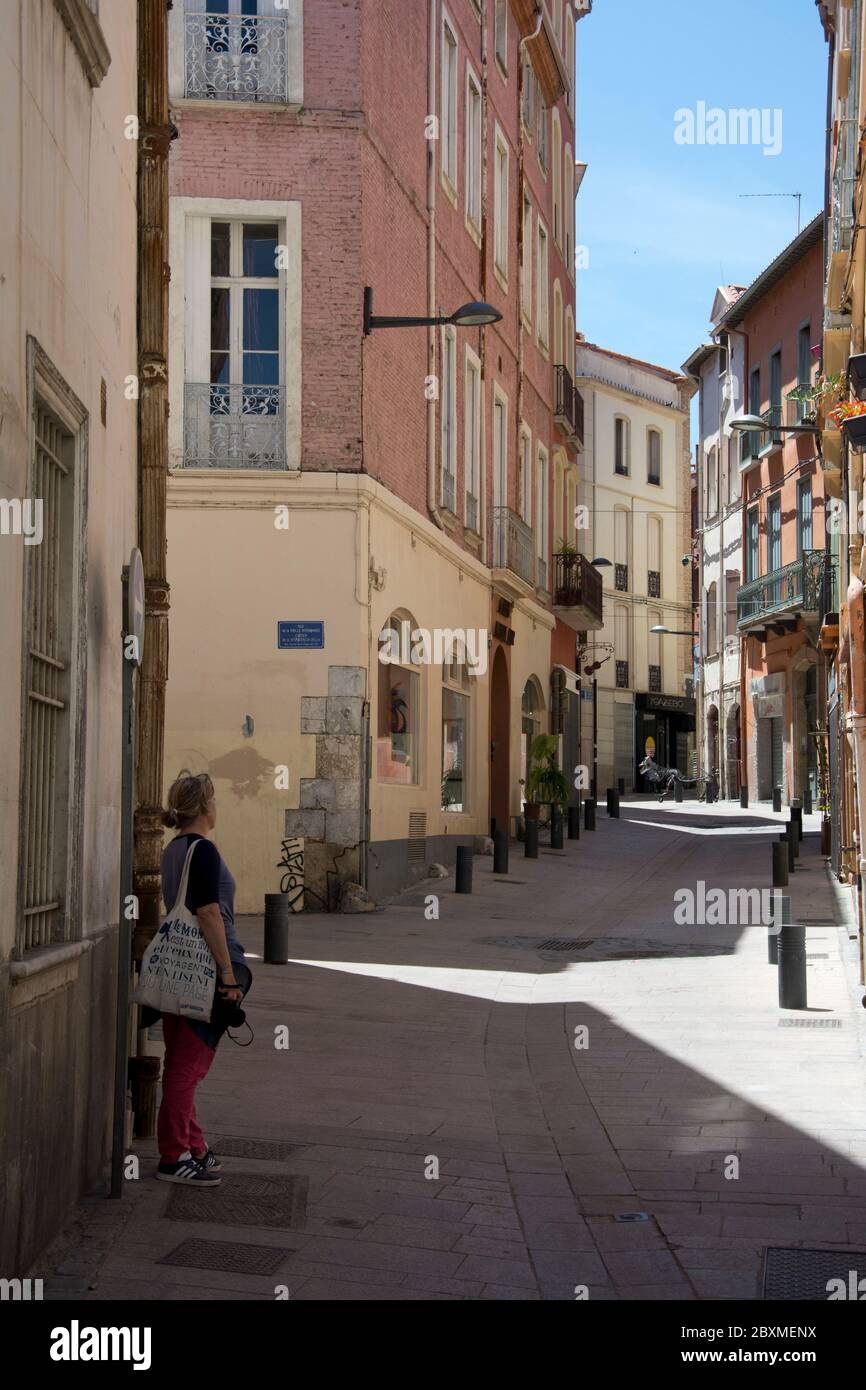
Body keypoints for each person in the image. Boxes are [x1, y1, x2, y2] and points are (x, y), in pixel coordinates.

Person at [153, 770, 252, 1185]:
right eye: (214, 799)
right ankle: (173, 1157)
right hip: (206, 967)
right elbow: (208, 912)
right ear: (204, 807)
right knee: (187, 1067)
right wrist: (228, 976)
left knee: (181, 1060)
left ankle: (193, 1146)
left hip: (180, 967)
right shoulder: (204, 850)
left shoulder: (173, 849)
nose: (218, 806)